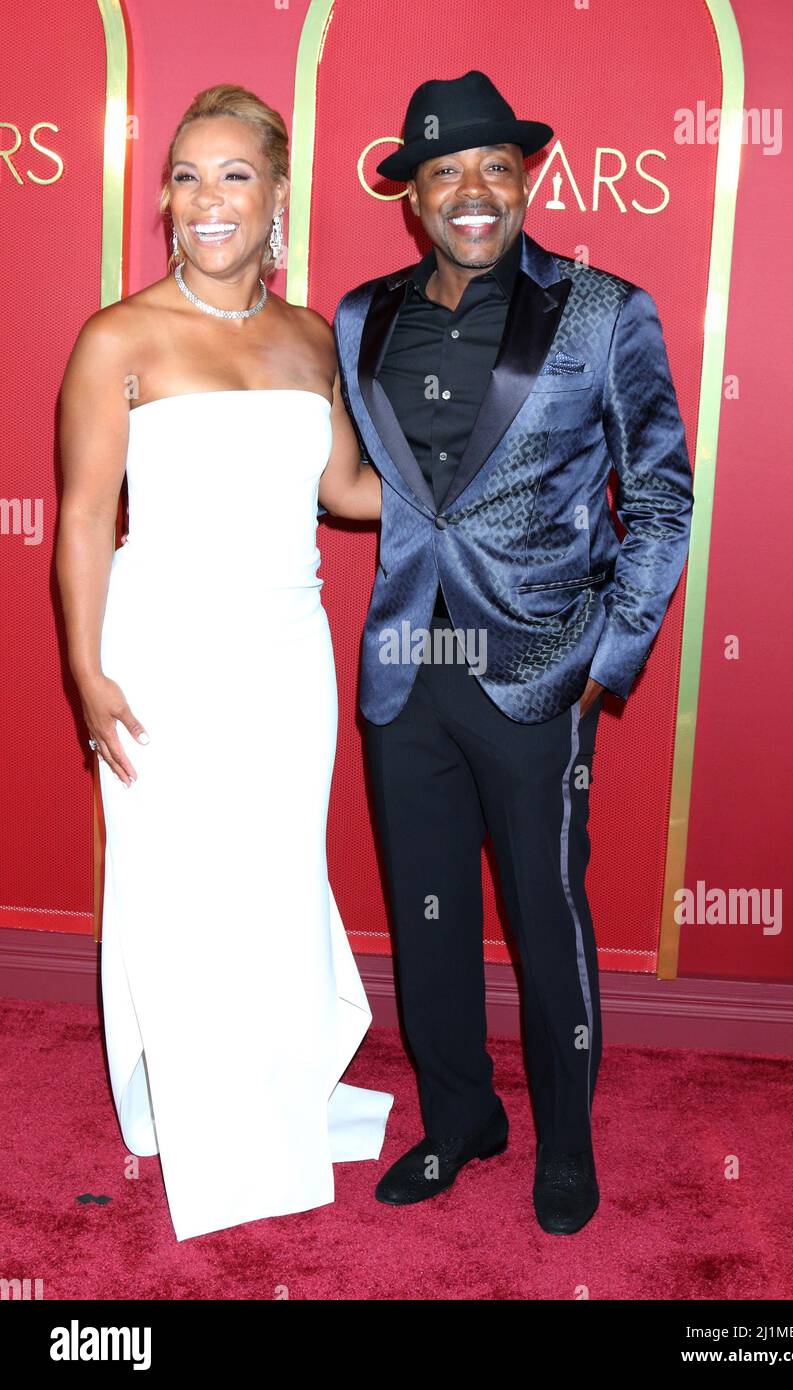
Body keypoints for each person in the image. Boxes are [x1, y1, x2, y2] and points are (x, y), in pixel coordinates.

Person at [333, 71, 694, 1234]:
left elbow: (661, 495)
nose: (472, 190)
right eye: (445, 171)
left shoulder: (603, 311)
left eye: (495, 166)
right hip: (406, 665)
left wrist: (614, 651)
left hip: (541, 668)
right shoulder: (360, 317)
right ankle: (457, 1121)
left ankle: (566, 1142)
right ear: (412, 197)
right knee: (426, 907)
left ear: (526, 178)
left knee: (545, 916)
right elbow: (362, 484)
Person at [56, 84, 392, 1242]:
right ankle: (209, 1121)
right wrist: (88, 673)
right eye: (188, 176)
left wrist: (470, 480)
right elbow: (85, 516)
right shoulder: (120, 337)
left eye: (234, 175)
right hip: (163, 649)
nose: (209, 199)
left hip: (286, 653)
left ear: (276, 198)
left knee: (275, 875)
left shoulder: (308, 338)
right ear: (165, 199)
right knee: (183, 882)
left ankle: (275, 1087)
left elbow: (345, 489)